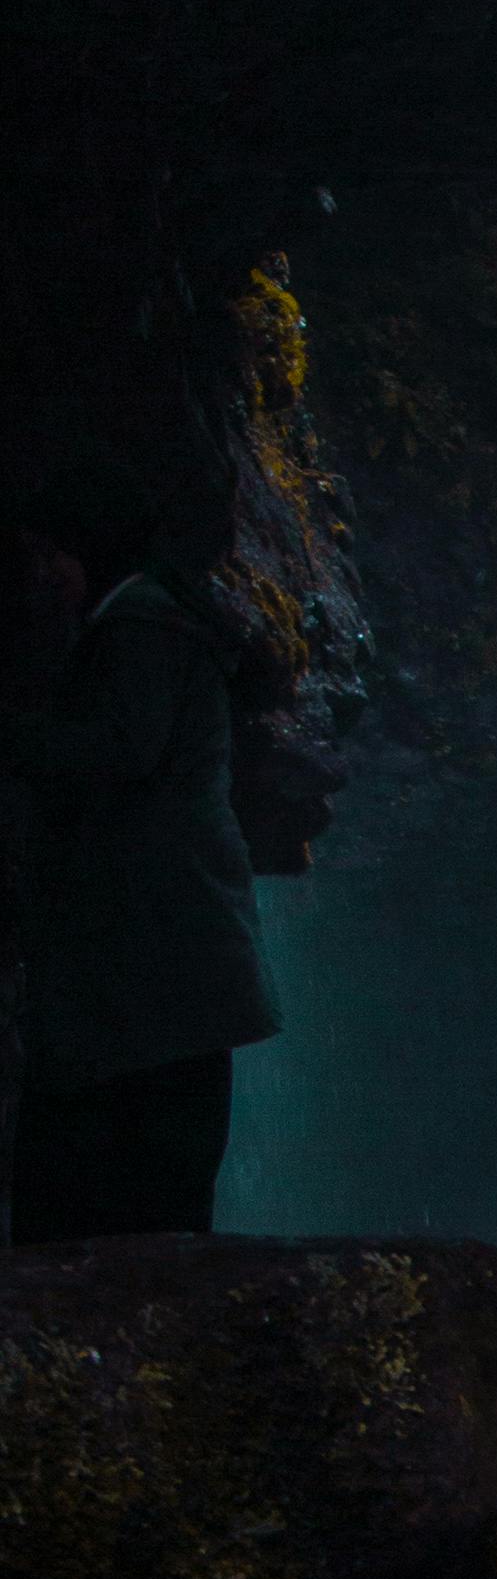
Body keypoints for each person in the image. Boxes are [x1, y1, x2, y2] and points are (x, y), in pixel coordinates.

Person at [6, 449, 281, 1238]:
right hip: (174, 956)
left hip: (156, 956)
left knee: (120, 1165)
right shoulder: (155, 619)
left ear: (84, 543)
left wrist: (17, 740)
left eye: (50, 553)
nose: (42, 575)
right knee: (155, 1170)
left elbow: (122, 749)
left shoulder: (141, 626)